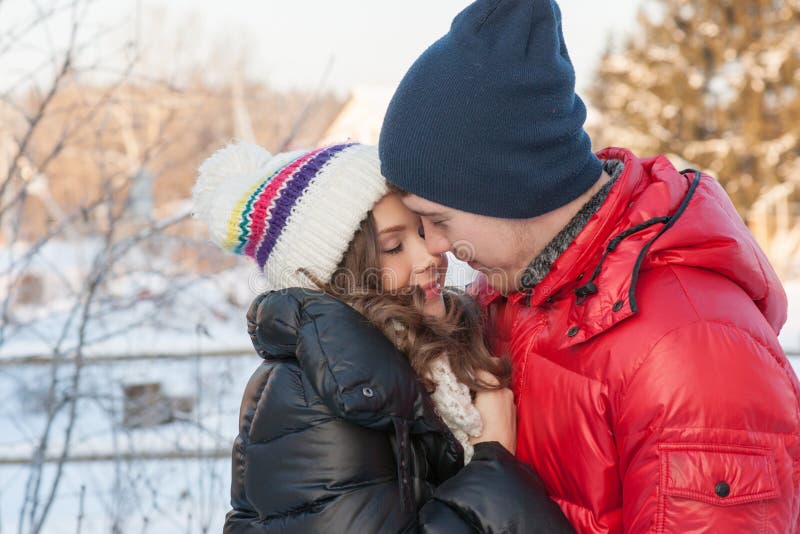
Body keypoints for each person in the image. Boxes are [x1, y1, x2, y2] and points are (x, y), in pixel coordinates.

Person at [377, 0, 800, 532]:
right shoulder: (511, 295)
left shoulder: (689, 352)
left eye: (436, 219)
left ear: (508, 187)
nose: (433, 246)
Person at [192, 141, 573, 532]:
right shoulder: (309, 399)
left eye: (423, 231)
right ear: (336, 279)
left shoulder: (427, 356)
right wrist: (493, 460)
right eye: (393, 246)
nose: (430, 257)